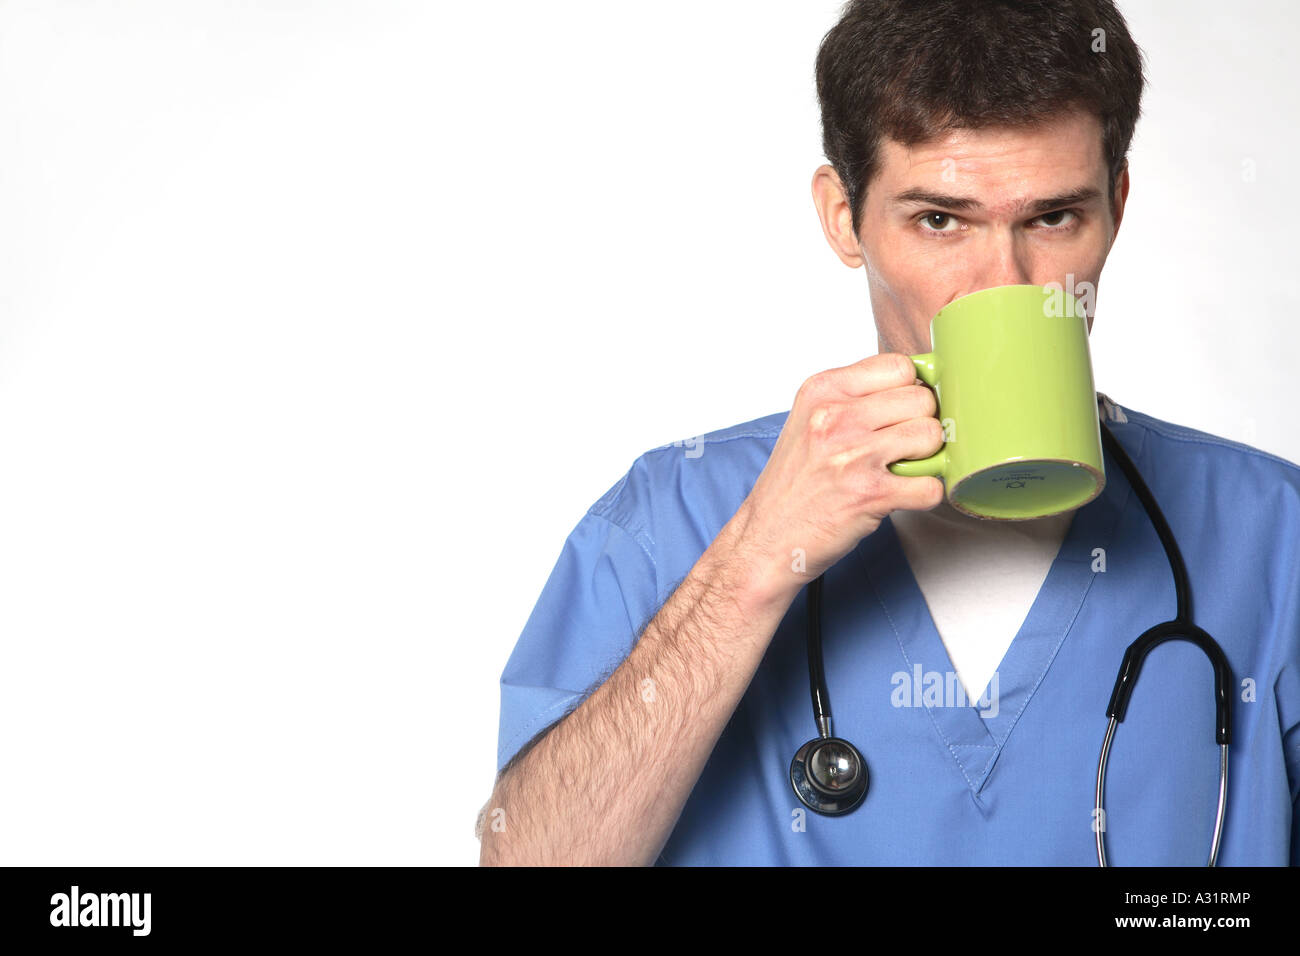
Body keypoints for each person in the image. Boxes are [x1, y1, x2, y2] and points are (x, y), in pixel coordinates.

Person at [478, 0, 1300, 866]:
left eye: (1052, 218)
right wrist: (753, 565)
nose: (1003, 285)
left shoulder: (1271, 533)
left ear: (1116, 206)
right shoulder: (669, 519)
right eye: (940, 220)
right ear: (843, 217)